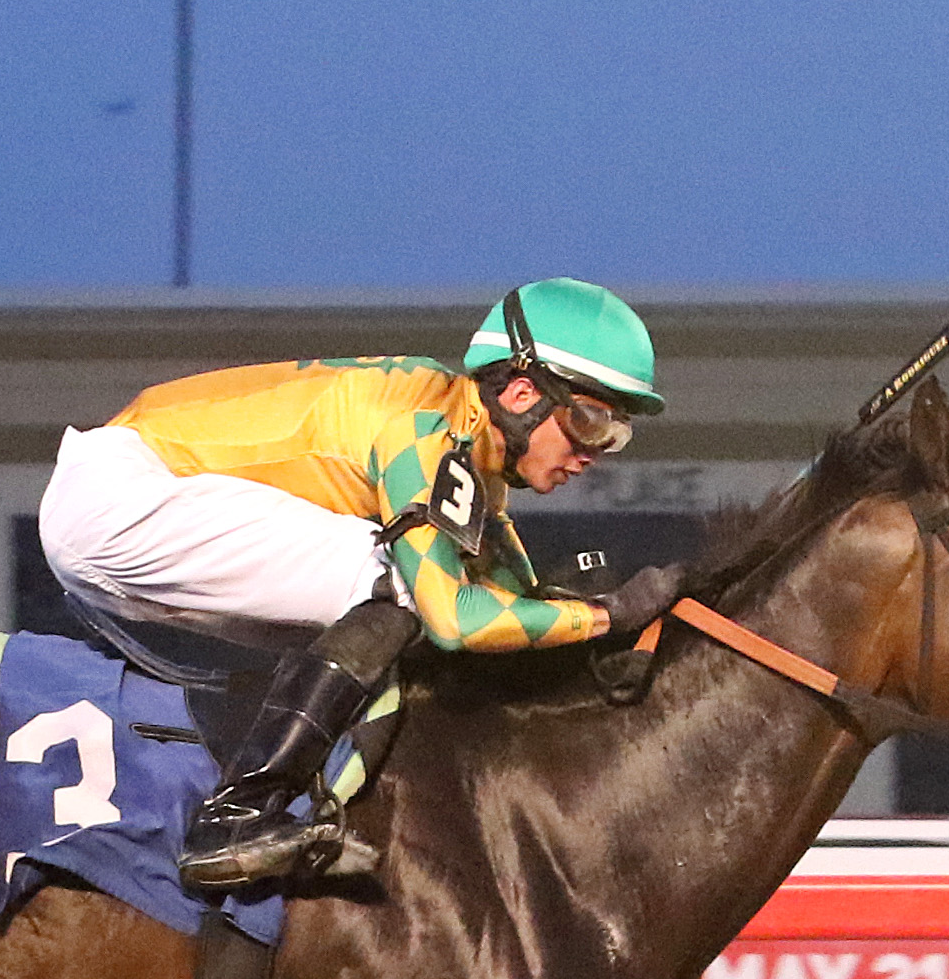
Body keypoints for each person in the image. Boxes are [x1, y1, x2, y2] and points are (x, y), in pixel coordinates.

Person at [35, 279, 667, 892]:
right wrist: (607, 616)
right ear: (523, 392)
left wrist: (584, 613)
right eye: (589, 421)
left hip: (131, 503)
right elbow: (459, 619)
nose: (596, 451)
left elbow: (515, 601)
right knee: (398, 589)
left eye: (617, 433)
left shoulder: (469, 447)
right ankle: (234, 819)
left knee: (397, 602)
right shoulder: (423, 427)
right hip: (118, 499)